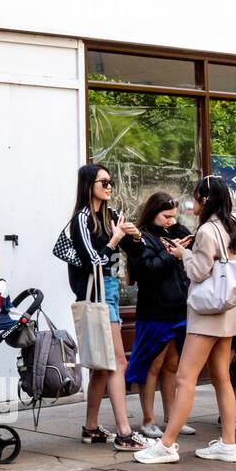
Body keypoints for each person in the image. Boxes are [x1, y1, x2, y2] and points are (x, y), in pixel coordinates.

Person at [134, 175, 236, 464]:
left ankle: (167, 445)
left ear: (205, 200)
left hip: (207, 314)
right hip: (227, 312)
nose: (193, 202)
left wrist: (183, 254)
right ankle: (228, 443)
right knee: (222, 377)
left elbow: (198, 272)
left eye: (196, 197)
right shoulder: (232, 226)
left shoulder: (208, 230)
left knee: (185, 377)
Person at [65, 163, 146, 451]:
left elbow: (134, 249)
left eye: (111, 182)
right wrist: (115, 239)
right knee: (116, 362)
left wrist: (134, 236)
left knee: (102, 365)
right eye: (104, 182)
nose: (110, 187)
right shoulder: (82, 219)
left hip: (110, 290)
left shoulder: (111, 214)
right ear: (89, 185)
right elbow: (91, 262)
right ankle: (124, 432)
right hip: (97, 293)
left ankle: (91, 427)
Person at [123, 192, 195, 440]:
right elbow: (147, 269)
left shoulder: (173, 232)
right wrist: (170, 254)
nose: (170, 221)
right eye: (166, 216)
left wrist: (178, 231)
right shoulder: (139, 237)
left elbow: (190, 244)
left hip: (179, 307)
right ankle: (148, 419)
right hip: (155, 310)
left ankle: (172, 417)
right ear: (153, 212)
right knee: (152, 364)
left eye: (174, 216)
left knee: (173, 365)